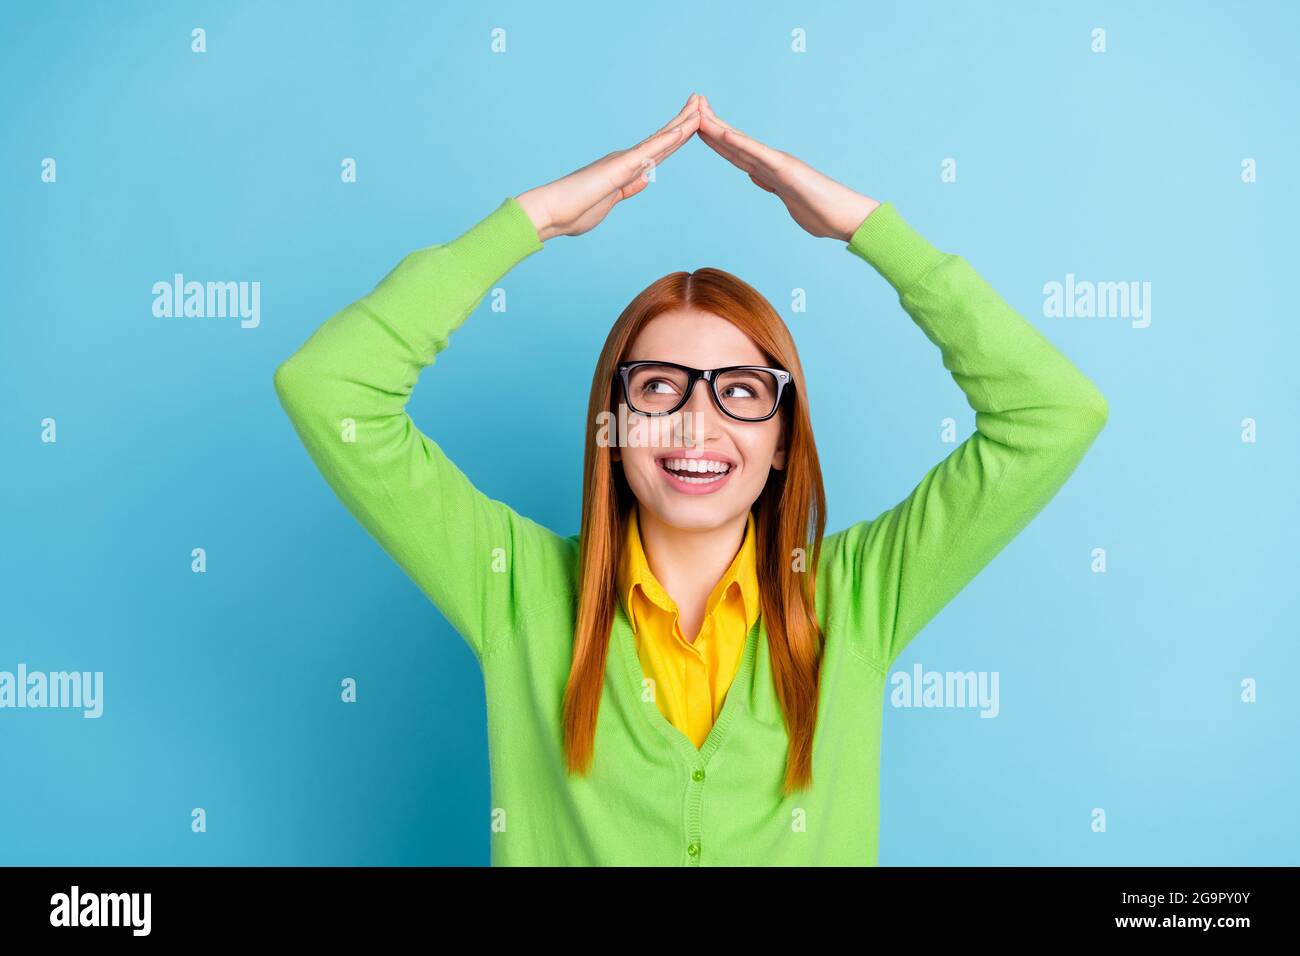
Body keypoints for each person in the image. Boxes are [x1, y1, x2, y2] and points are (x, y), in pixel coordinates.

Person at [273, 93, 1108, 865]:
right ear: (614, 422)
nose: (696, 424)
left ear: (783, 438)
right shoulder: (513, 590)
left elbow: (1052, 413)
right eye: (659, 387)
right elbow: (328, 387)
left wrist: (867, 230)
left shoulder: (857, 600)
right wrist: (534, 220)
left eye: (741, 392)